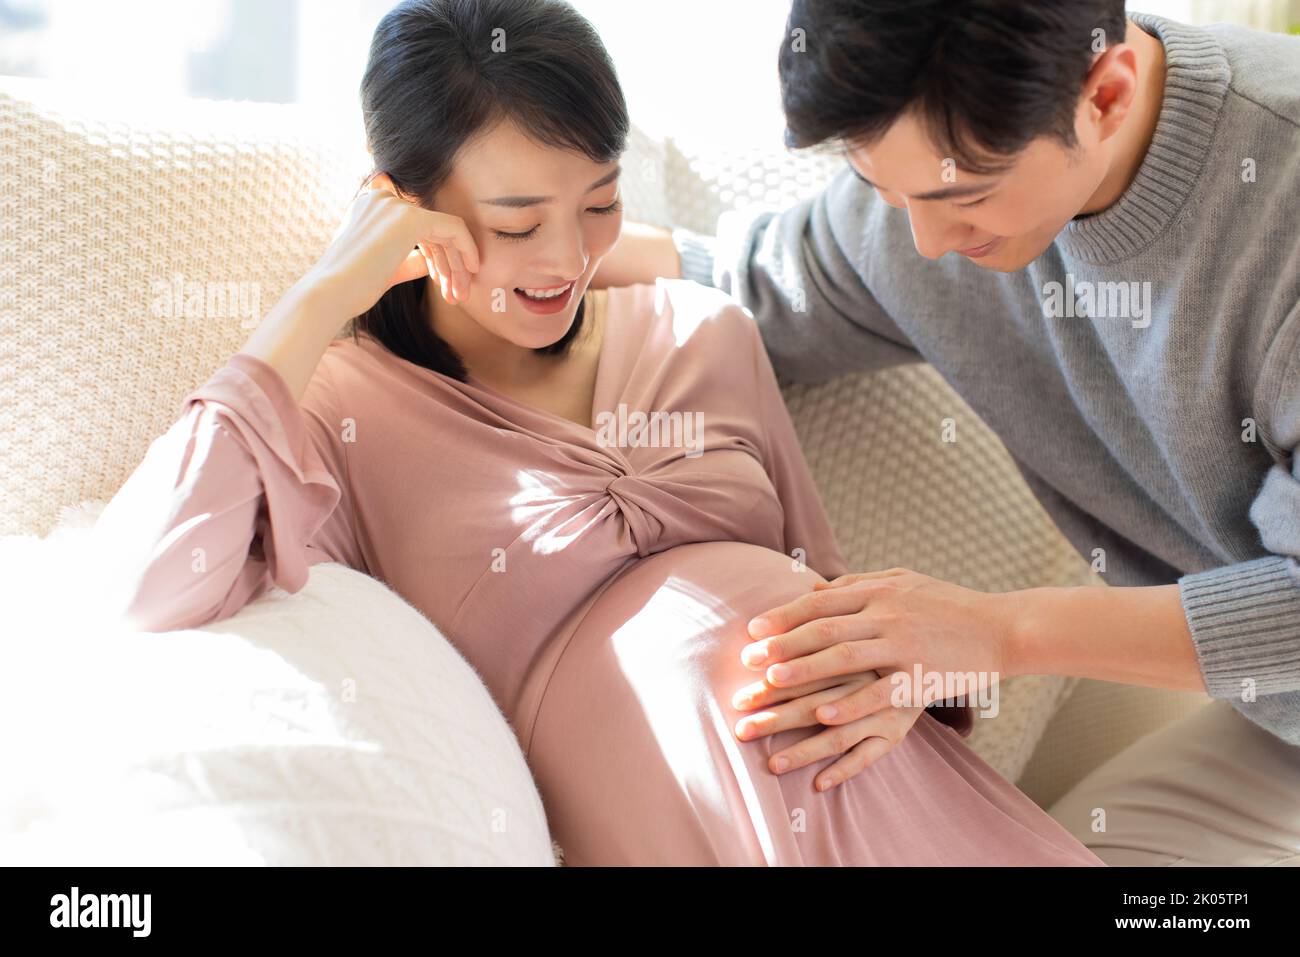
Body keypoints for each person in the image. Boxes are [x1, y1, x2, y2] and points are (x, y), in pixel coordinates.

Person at [89, 0, 1102, 866]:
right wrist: (320, 298)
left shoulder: (703, 331)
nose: (567, 258)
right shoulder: (348, 410)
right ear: (401, 200)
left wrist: (909, 677)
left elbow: (837, 599)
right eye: (520, 221)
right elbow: (146, 584)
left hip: (900, 799)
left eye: (601, 202)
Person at [595, 0, 1300, 866]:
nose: (924, 242)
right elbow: (759, 286)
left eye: (960, 198)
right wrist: (529, 241)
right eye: (883, 190)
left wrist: (999, 634)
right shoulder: (927, 199)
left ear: (1107, 96)